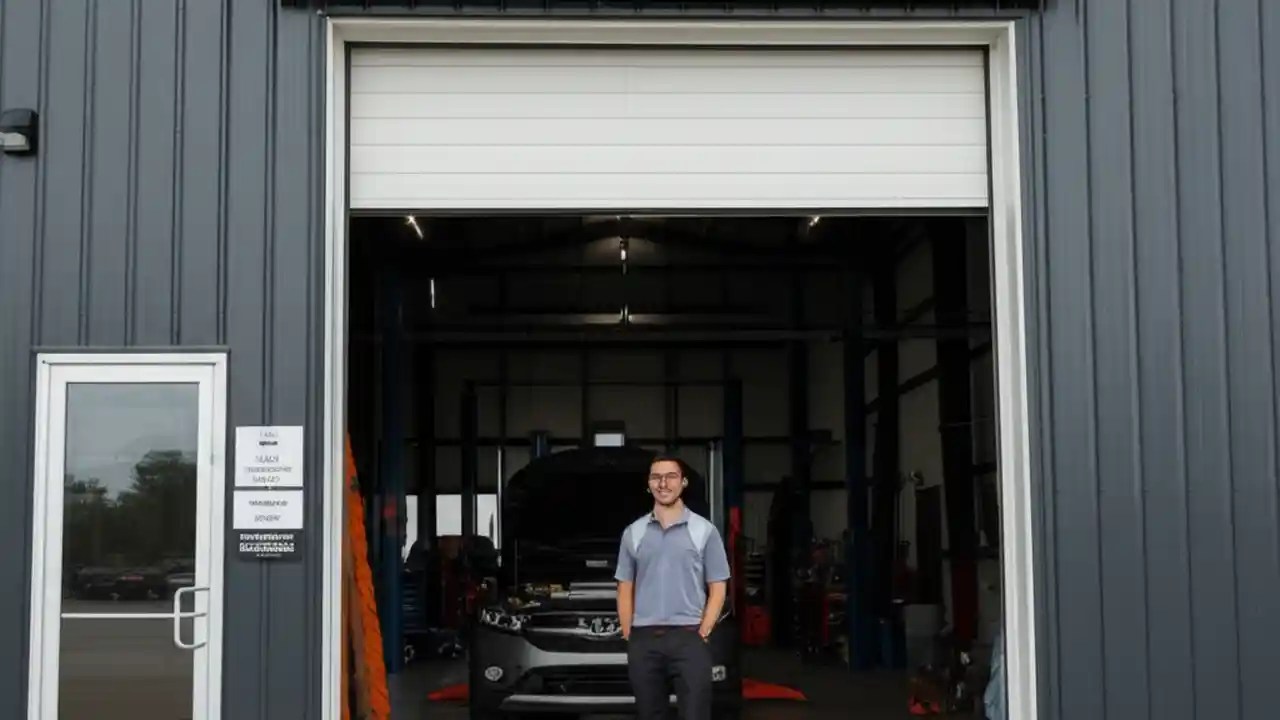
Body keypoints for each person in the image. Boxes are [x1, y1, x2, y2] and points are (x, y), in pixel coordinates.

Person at [615, 455, 732, 720]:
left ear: (683, 482)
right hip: (644, 640)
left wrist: (703, 631)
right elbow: (624, 587)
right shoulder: (633, 533)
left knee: (695, 714)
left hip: (689, 638)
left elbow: (718, 587)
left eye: (671, 476)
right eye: (656, 477)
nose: (663, 483)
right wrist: (629, 634)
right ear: (649, 484)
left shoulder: (704, 531)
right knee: (649, 714)